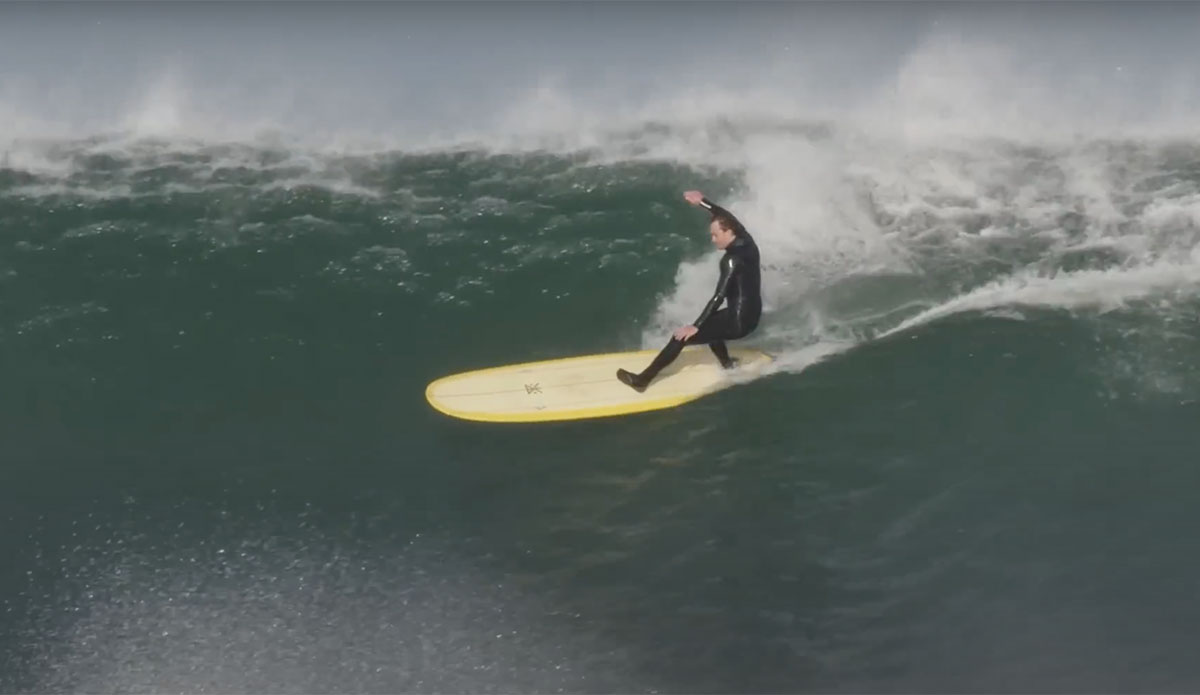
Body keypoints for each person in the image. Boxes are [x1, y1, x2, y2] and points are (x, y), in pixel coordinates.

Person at [617, 190, 762, 392]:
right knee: (714, 327)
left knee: (681, 337)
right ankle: (728, 364)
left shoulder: (730, 260)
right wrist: (703, 202)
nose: (713, 240)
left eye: (716, 235)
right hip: (752, 315)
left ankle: (643, 380)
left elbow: (718, 297)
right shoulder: (748, 242)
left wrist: (695, 326)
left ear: (729, 233)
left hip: (738, 322)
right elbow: (726, 217)